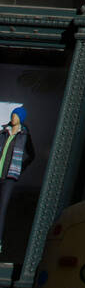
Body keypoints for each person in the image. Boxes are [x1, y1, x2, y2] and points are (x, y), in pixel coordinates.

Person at [0, 107, 35, 256]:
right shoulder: (3, 132)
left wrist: (20, 167)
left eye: (15, 116)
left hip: (9, 178)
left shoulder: (24, 135)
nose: (13, 118)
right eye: (12, 115)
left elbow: (32, 155)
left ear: (21, 118)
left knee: (2, 210)